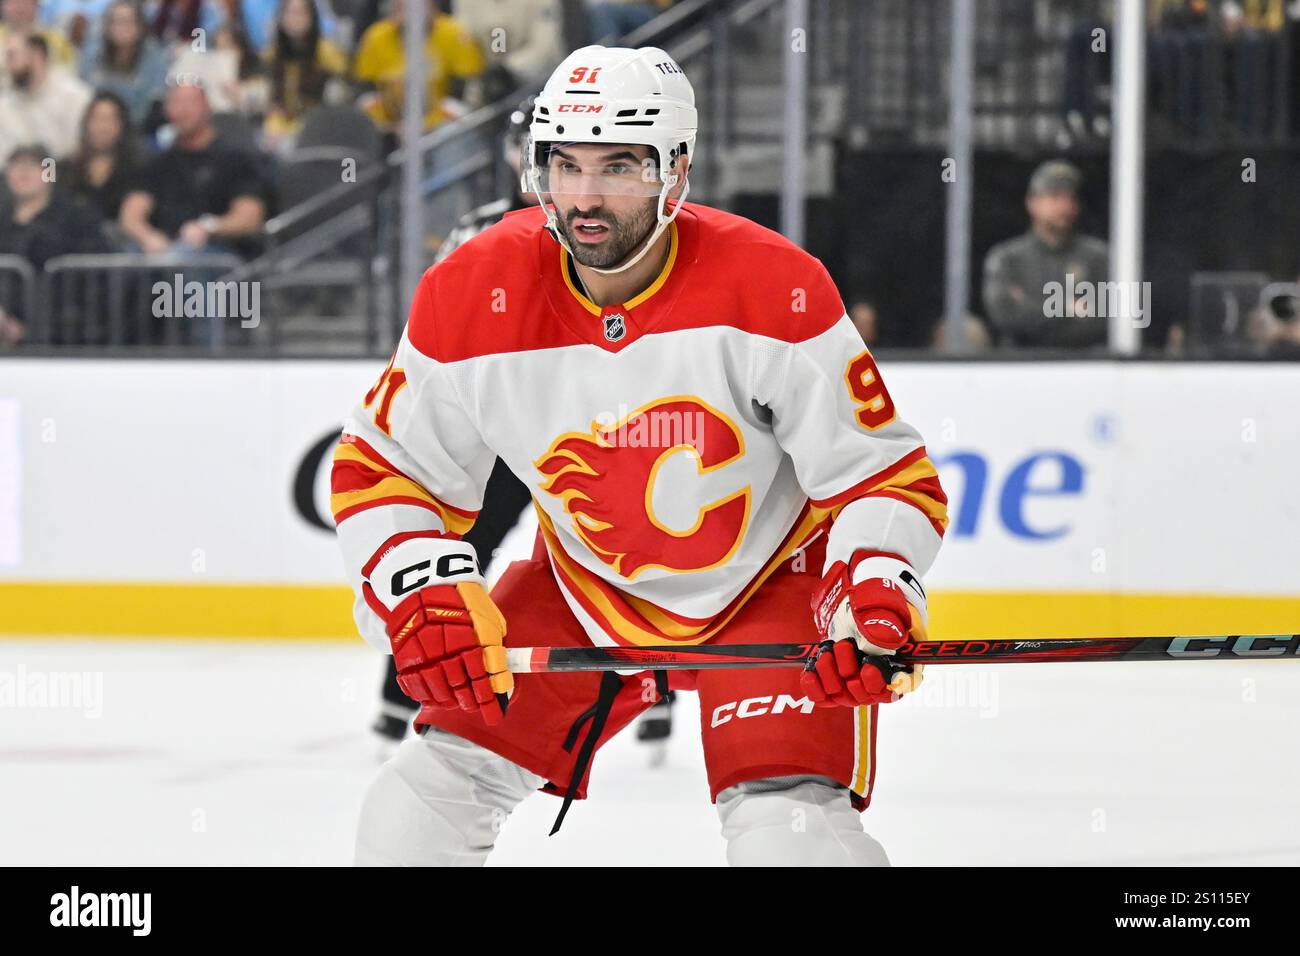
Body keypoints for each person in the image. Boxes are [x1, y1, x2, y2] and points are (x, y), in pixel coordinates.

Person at [336, 45, 948, 866]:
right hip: (585, 589)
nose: (585, 197)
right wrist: (418, 586)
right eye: (565, 164)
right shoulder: (469, 291)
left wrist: (873, 577)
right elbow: (385, 468)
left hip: (767, 588)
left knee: (788, 837)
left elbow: (879, 472)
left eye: (619, 165)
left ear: (676, 171)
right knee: (415, 811)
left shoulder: (773, 286)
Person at [117, 82, 267, 257]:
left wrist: (210, 227)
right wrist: (148, 237)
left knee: (183, 257)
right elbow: (131, 215)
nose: (182, 111)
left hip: (219, 255)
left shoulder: (235, 160)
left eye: (190, 103)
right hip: (166, 249)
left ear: (207, 107)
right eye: (175, 103)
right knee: (128, 258)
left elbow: (249, 217)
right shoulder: (158, 163)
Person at [981, 159, 1110, 348]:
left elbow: (1105, 320)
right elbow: (1005, 315)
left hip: (1082, 364)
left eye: (1070, 198)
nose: (1064, 206)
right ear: (1032, 203)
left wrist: (1032, 307)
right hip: (1020, 364)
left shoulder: (1097, 257)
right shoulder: (1008, 258)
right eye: (1055, 197)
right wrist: (1067, 310)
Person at [0, 143, 108, 338]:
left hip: (60, 329)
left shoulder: (77, 217)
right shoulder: (3, 219)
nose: (23, 173)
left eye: (32, 166)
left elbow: (87, 281)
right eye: (15, 166)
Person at [352, 0, 484, 133]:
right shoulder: (376, 36)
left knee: (457, 112)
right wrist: (391, 127)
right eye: (400, 6)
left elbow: (462, 94)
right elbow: (365, 91)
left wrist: (424, 125)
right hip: (391, 124)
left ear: (432, 5)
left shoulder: (455, 34)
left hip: (439, 121)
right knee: (362, 114)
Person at [262, 0, 347, 148]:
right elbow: (269, 94)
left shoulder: (327, 53)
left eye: (300, 13)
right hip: (280, 124)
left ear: (311, 17)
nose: (294, 19)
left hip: (318, 125)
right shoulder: (272, 53)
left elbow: (341, 92)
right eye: (289, 13)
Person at [0, 32, 93, 160]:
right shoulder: (5, 104)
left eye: (11, 56)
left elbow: (77, 149)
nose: (5, 65)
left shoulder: (74, 96)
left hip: (63, 173)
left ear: (36, 55)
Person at [78, 0, 170, 127]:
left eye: (127, 22)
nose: (121, 28)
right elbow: (82, 93)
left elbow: (154, 104)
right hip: (97, 125)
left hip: (139, 128)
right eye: (115, 22)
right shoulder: (93, 55)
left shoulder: (155, 58)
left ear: (140, 25)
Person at [62, 91, 142, 223]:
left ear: (122, 126)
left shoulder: (137, 169)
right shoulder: (64, 167)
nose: (102, 127)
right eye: (96, 119)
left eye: (110, 120)